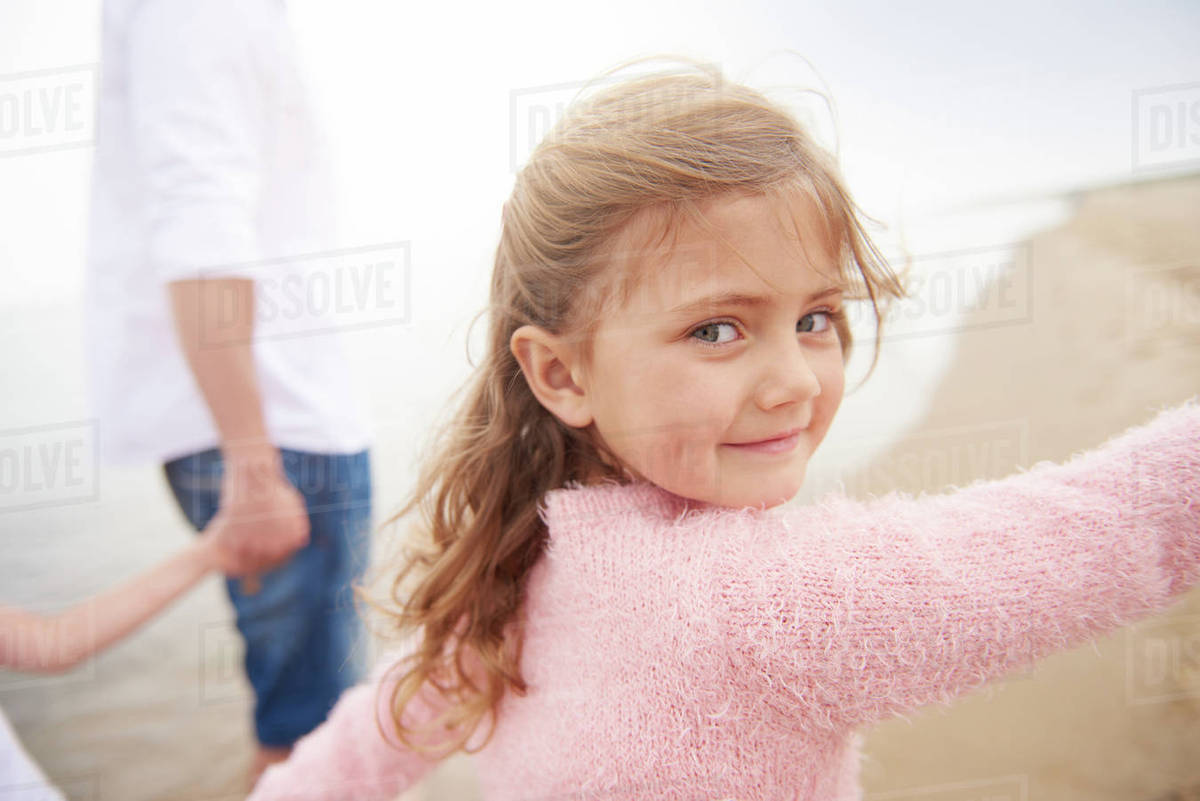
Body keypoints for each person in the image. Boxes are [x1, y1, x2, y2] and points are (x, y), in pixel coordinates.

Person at [247, 64, 1199, 800]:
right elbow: (1126, 523)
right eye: (717, 328)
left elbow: (362, 745)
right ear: (561, 373)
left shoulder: (517, 564)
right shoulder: (765, 605)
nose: (792, 380)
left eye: (816, 317)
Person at [85, 0, 372, 788]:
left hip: (268, 423)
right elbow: (201, 224)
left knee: (310, 723)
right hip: (275, 432)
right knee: (311, 737)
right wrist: (252, 459)